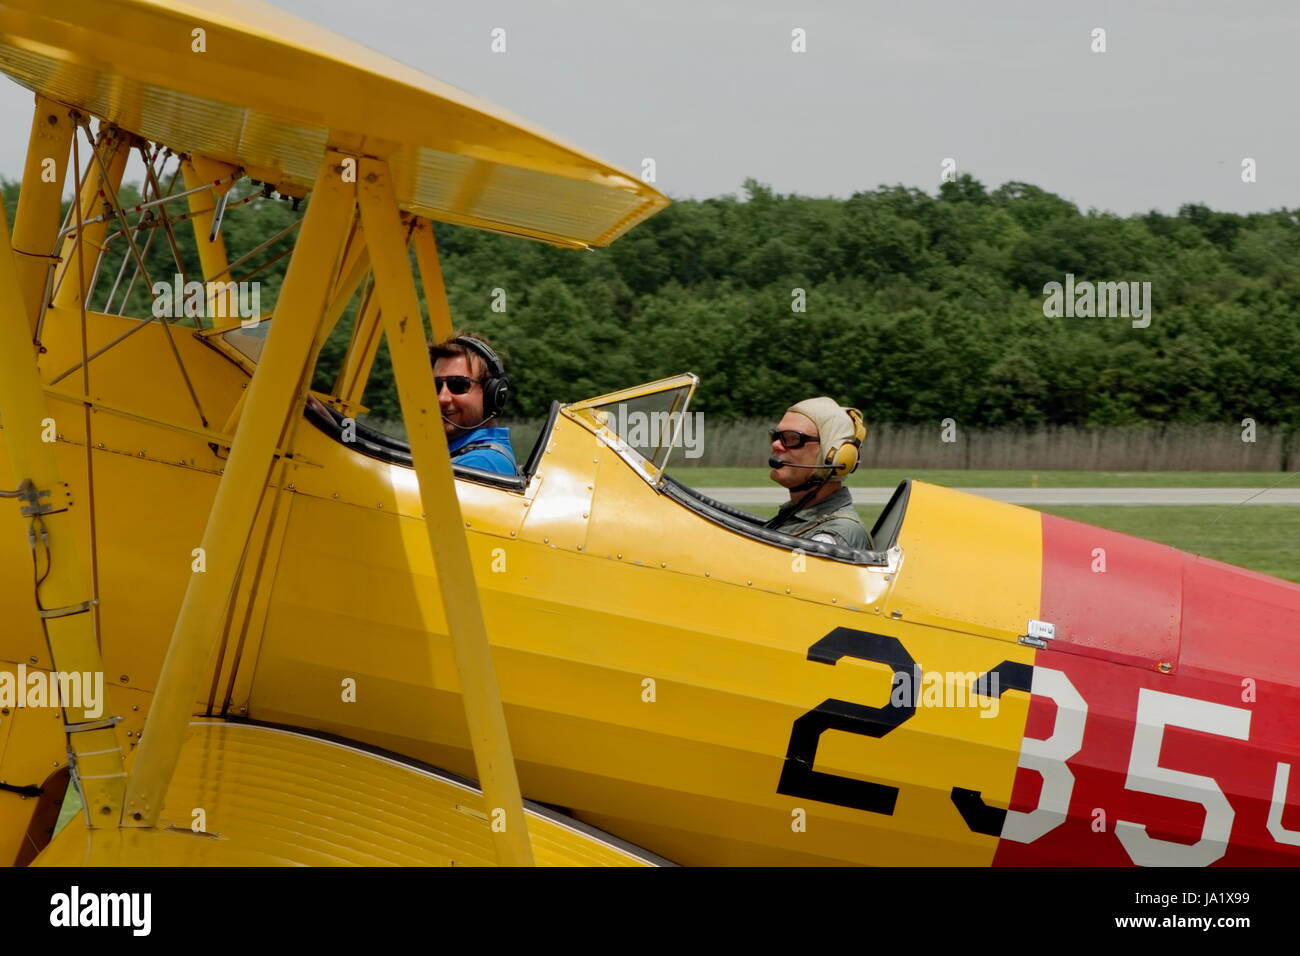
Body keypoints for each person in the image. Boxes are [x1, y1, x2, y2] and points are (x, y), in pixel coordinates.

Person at [765, 397, 872, 550]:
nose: (776, 444)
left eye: (792, 438)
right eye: (776, 436)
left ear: (833, 456)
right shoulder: (794, 517)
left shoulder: (835, 534)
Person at [430, 333, 518, 476]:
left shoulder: (482, 463)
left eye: (458, 385)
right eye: (436, 386)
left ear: (492, 394)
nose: (442, 398)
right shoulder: (456, 454)